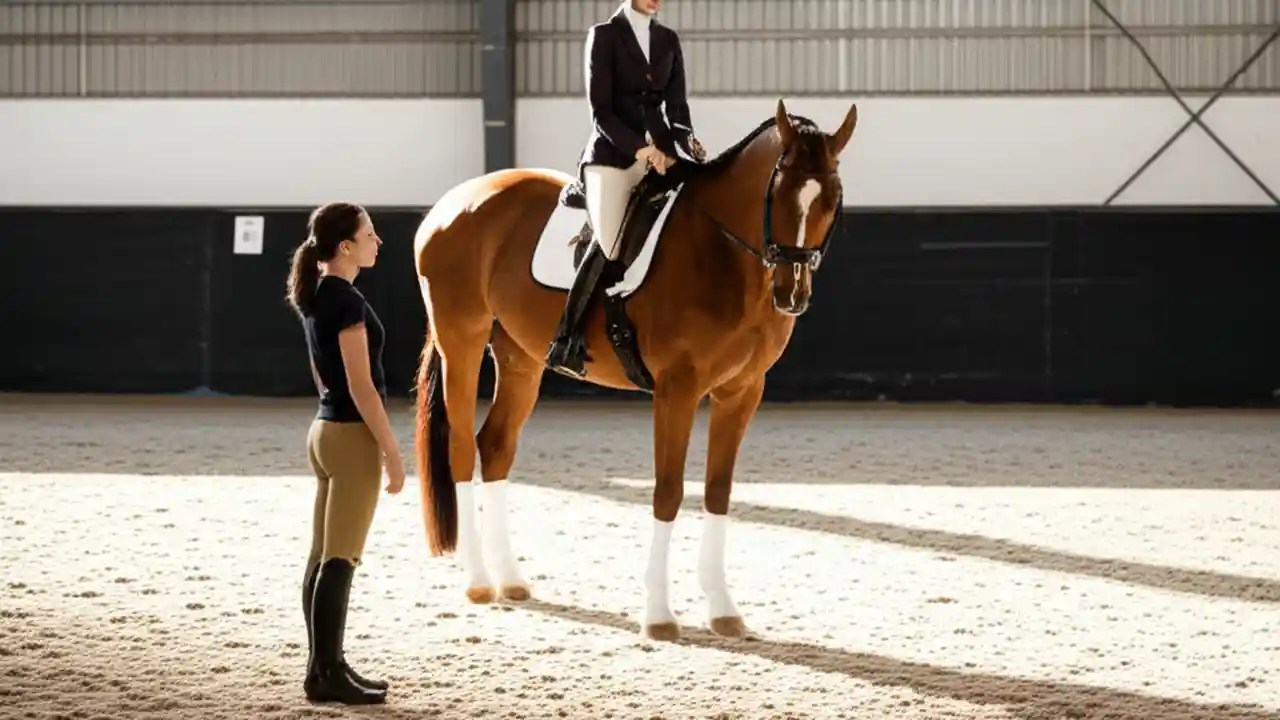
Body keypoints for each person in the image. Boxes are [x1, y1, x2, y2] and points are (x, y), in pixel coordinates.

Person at [284, 202, 406, 705]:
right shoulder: (348, 301)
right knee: (341, 559)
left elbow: (322, 374)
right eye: (370, 234)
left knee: (321, 557)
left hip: (322, 431)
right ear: (346, 247)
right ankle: (325, 673)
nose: (379, 242)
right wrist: (392, 450)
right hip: (351, 436)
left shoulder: (317, 296)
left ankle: (325, 665)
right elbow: (362, 385)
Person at [546, 0, 705, 378]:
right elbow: (600, 111)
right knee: (612, 241)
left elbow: (678, 109)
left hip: (662, 154)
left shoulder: (667, 39)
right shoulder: (604, 36)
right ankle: (566, 340)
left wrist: (680, 146)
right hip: (613, 154)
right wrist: (641, 148)